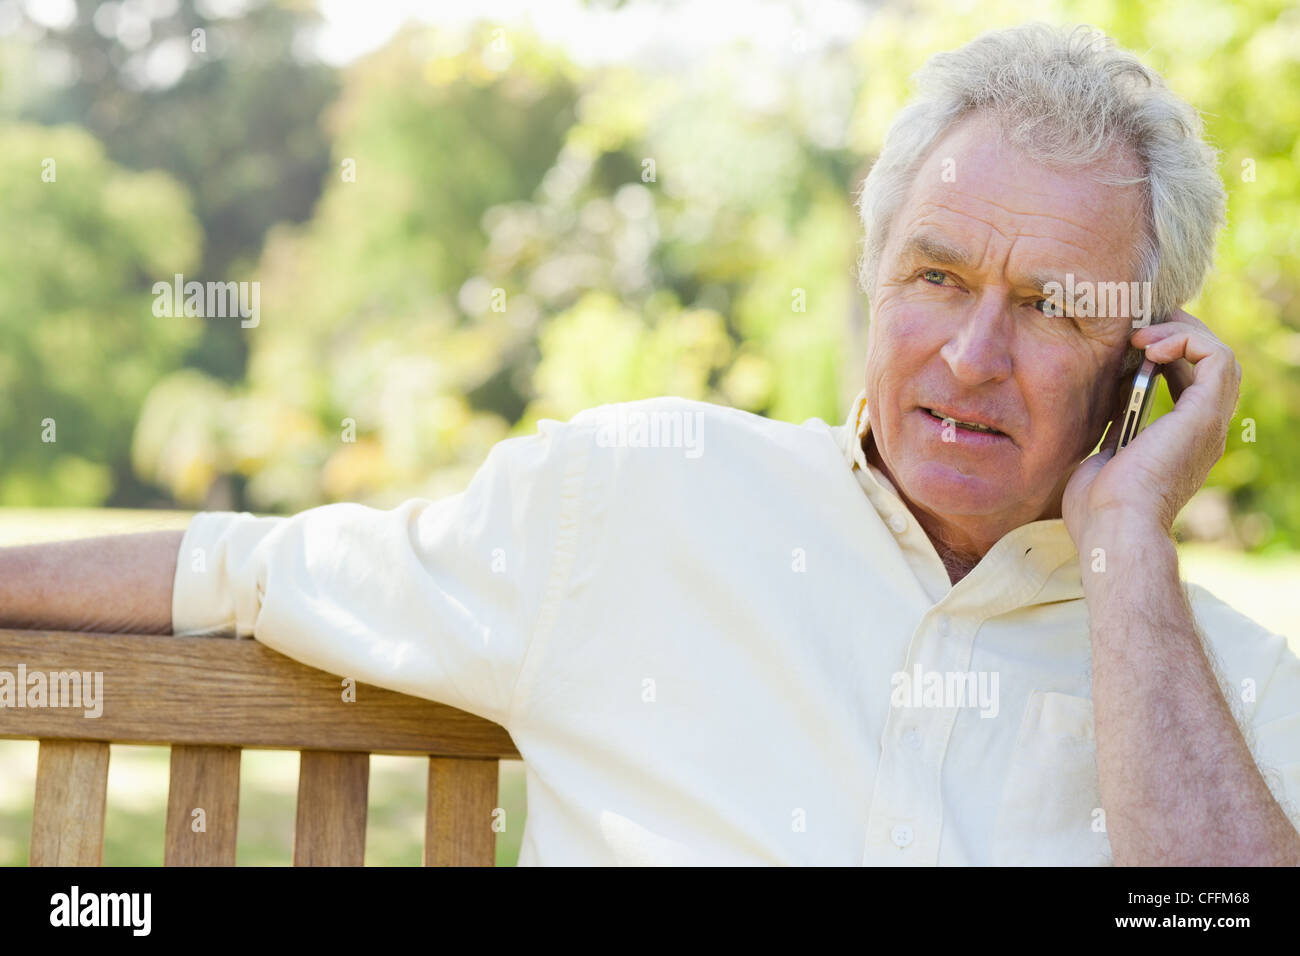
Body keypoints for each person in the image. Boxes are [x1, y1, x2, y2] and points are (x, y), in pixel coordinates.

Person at [4, 22, 1298, 866]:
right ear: (870, 279)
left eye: (1050, 307)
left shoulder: (1219, 692)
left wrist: (1125, 543)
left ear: (1147, 357)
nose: (970, 357)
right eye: (937, 278)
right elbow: (243, 569)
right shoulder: (634, 502)